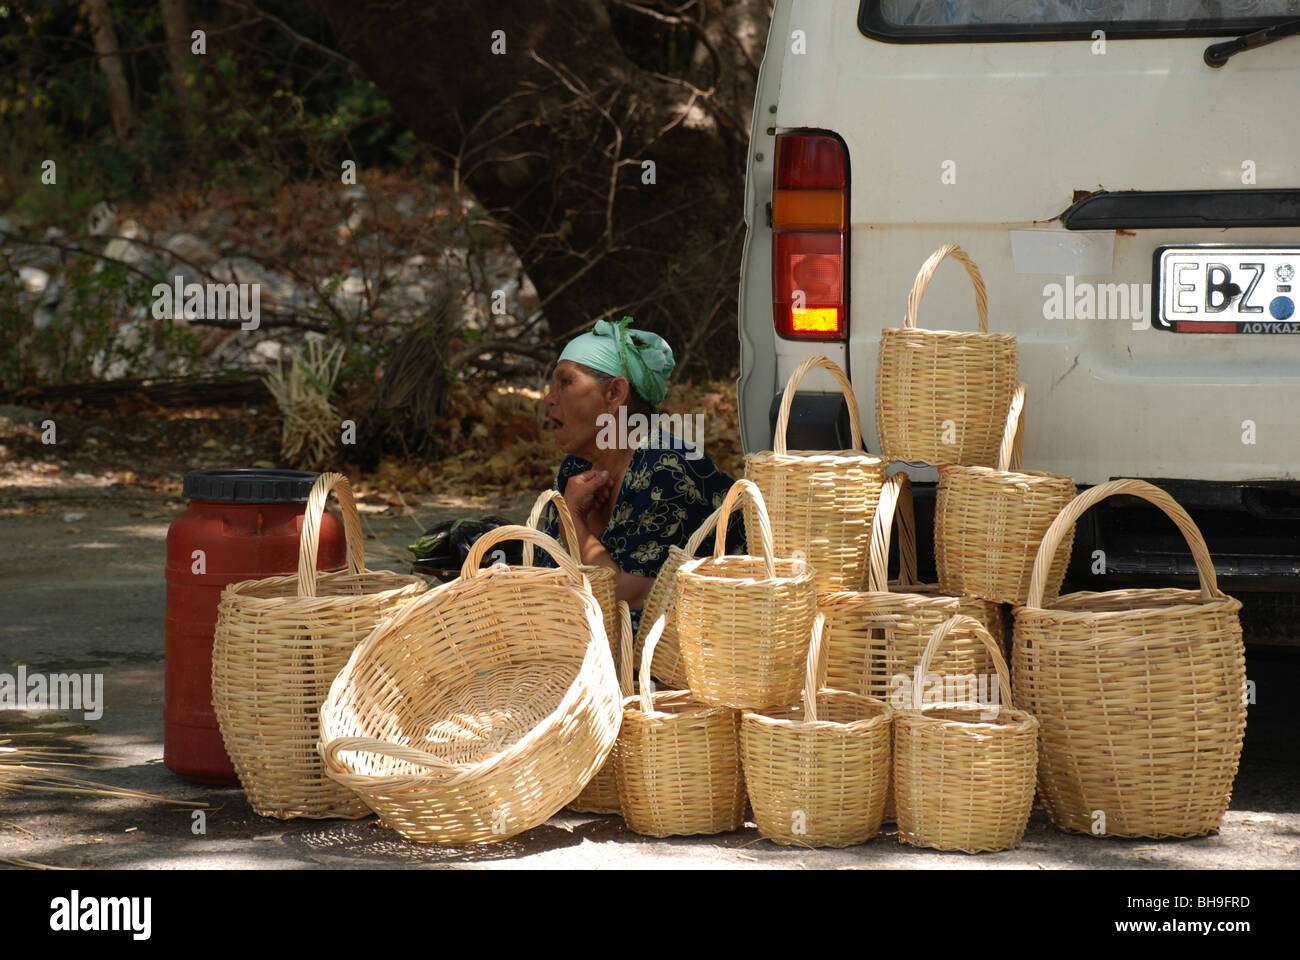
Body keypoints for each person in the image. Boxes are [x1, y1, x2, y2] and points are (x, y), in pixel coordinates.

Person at [537, 316, 744, 632]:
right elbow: (547, 572)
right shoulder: (577, 467)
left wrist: (575, 522)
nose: (549, 399)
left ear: (614, 394)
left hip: (713, 642)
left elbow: (623, 600)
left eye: (565, 382)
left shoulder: (666, 470)